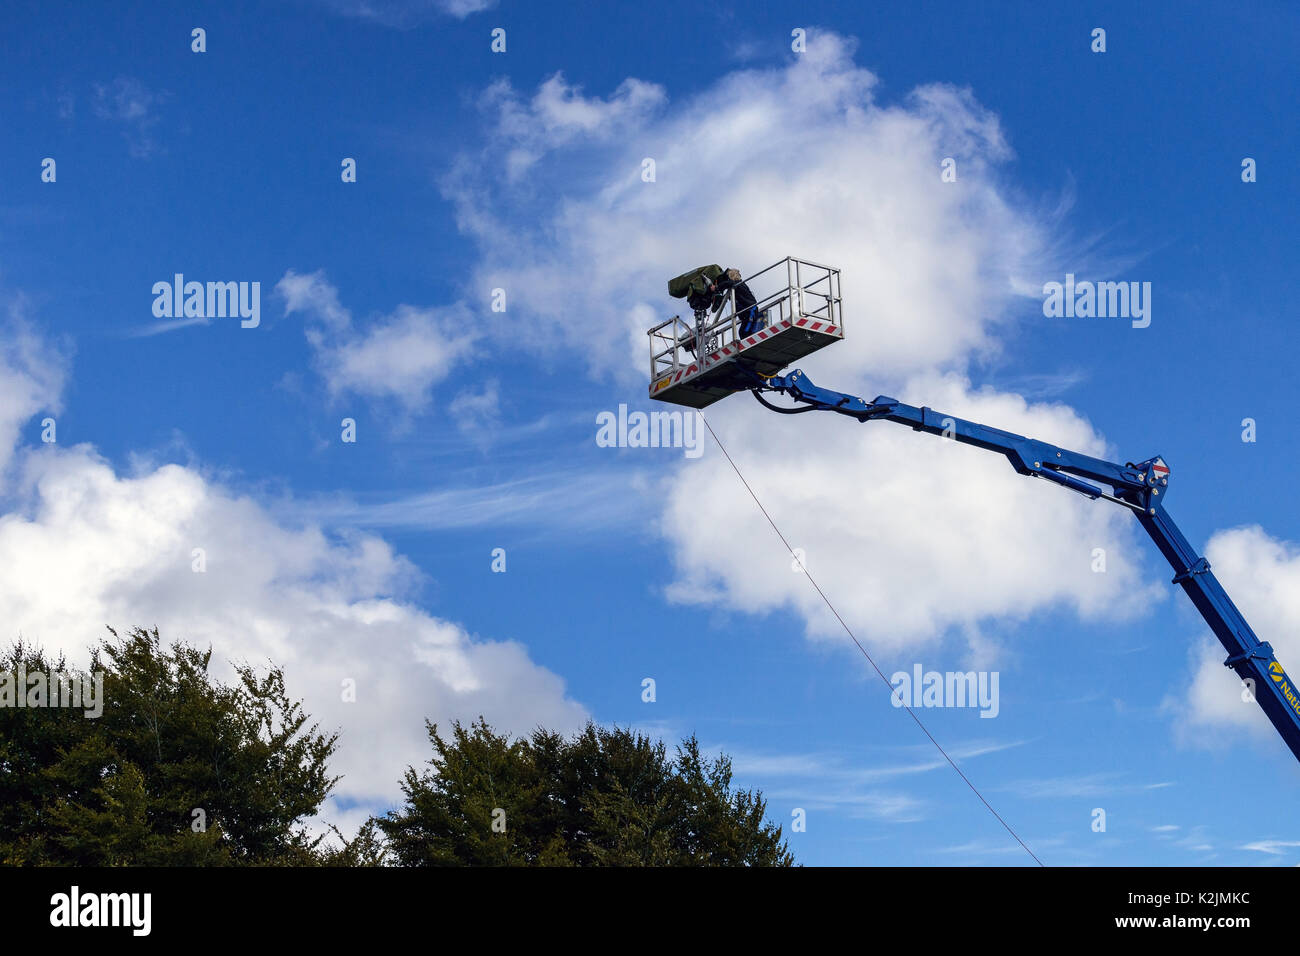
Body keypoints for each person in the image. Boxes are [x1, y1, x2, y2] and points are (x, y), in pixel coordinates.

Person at [711, 268, 763, 337]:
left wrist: (716, 288)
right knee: (744, 331)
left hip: (750, 311)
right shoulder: (738, 287)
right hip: (747, 313)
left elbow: (728, 283)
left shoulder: (739, 284)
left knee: (744, 332)